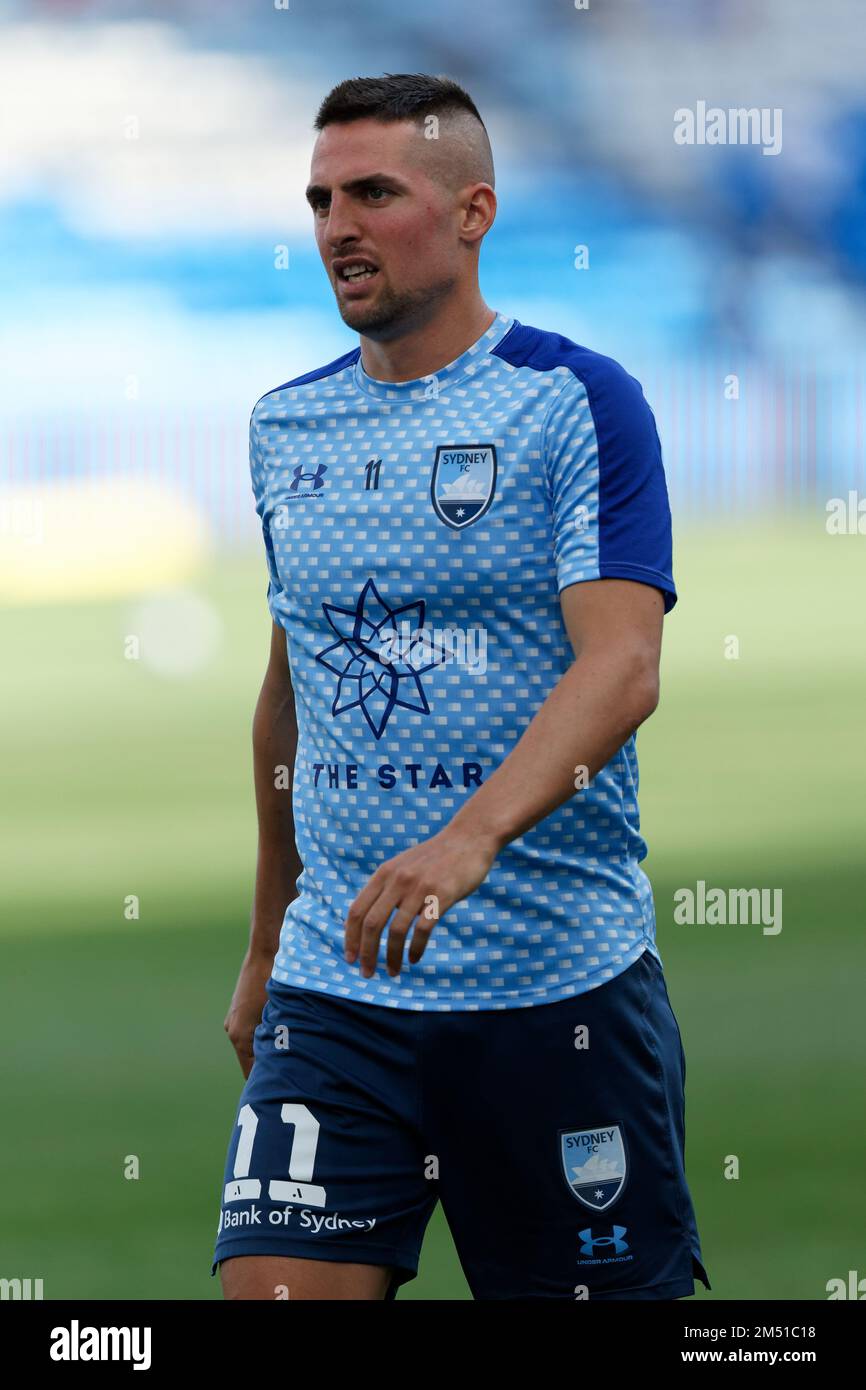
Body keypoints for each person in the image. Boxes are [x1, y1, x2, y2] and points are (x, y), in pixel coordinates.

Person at [212, 72, 710, 1301]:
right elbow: (293, 695)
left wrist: (467, 838)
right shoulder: (284, 427)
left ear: (471, 210)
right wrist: (271, 934)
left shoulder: (575, 403)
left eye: (374, 192)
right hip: (340, 989)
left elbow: (623, 661)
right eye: (322, 197)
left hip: (553, 990)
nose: (338, 225)